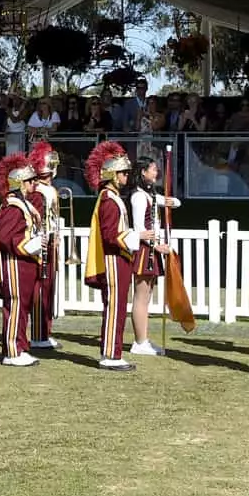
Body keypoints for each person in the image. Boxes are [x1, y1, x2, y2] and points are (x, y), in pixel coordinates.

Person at [0, 153, 48, 367]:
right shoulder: (12, 206)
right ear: (19, 183)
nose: (34, 183)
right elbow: (7, 238)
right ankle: (12, 350)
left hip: (27, 263)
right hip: (16, 263)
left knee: (24, 307)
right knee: (16, 305)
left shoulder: (23, 204)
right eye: (30, 180)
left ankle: (20, 346)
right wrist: (32, 245)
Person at [83, 141, 140, 371]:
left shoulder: (113, 197)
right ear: (112, 175)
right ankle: (110, 354)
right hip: (114, 260)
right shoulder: (109, 199)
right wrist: (135, 237)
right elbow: (110, 235)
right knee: (115, 307)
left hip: (120, 259)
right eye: (123, 173)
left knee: (117, 306)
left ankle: (113, 352)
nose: (127, 176)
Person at [127, 152, 181, 357]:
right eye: (153, 169)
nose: (156, 172)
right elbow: (140, 227)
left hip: (151, 248)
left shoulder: (150, 195)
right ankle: (139, 342)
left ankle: (144, 339)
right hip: (145, 250)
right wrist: (156, 245)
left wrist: (166, 197)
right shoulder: (139, 197)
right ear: (143, 172)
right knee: (141, 296)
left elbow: (175, 202)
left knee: (147, 295)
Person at [26, 141, 63, 350]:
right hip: (43, 245)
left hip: (51, 242)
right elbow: (38, 221)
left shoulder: (47, 189)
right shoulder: (39, 192)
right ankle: (39, 334)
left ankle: (45, 332)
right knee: (41, 288)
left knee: (48, 289)